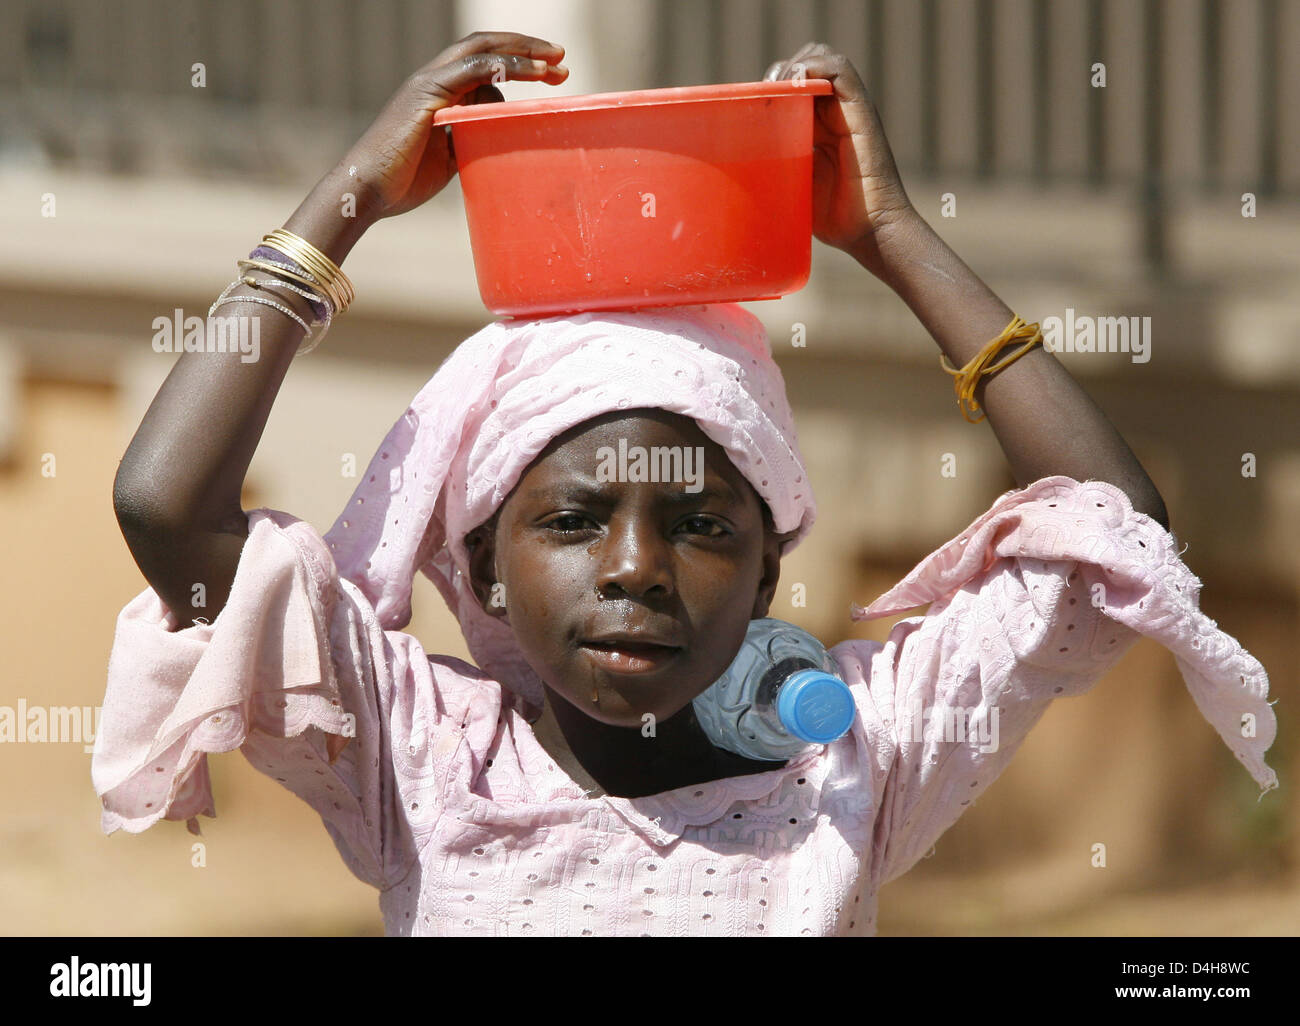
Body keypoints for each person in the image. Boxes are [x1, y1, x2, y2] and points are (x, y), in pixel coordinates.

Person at [100, 32, 1277, 936]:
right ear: (481, 573)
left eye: (701, 523)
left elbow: (1107, 533)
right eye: (567, 519)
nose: (632, 568)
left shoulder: (848, 771)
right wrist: (348, 195)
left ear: (769, 566)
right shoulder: (416, 758)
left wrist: (890, 235)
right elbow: (168, 509)